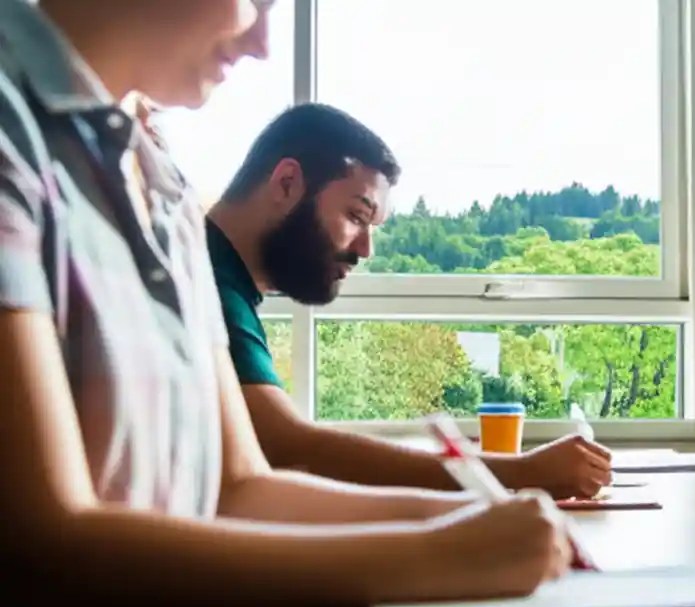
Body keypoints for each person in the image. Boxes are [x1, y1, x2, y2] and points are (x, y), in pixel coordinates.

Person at [0, 1, 571, 607]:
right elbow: (42, 550)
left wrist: (473, 520)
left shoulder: (163, 182)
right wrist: (440, 553)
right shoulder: (14, 134)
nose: (264, 42)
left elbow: (240, 486)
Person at [205, 103, 611, 501]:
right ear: (287, 183)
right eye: (356, 216)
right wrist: (523, 472)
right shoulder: (206, 280)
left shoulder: (222, 276)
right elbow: (288, 447)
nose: (365, 250)